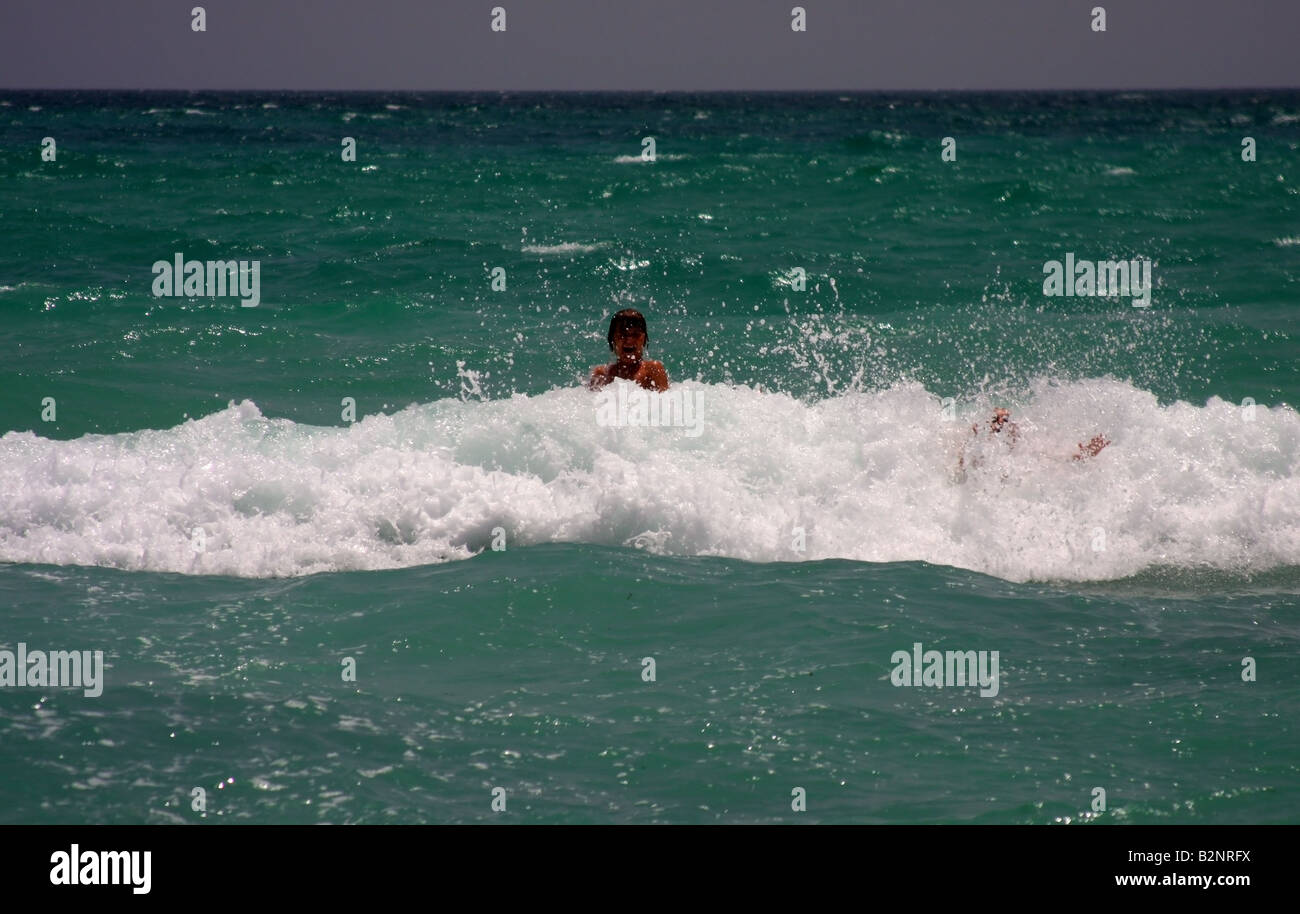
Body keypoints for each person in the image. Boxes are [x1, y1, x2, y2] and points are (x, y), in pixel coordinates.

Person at [958, 407, 1108, 471]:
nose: (1002, 425)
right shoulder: (975, 447)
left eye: (1006, 421)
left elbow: (1060, 460)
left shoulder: (1025, 452)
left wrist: (1087, 453)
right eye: (996, 421)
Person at [588, 309, 669, 391]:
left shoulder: (653, 370)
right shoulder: (602, 374)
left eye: (635, 335)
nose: (629, 340)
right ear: (612, 339)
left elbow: (664, 401)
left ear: (644, 339)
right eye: (622, 335)